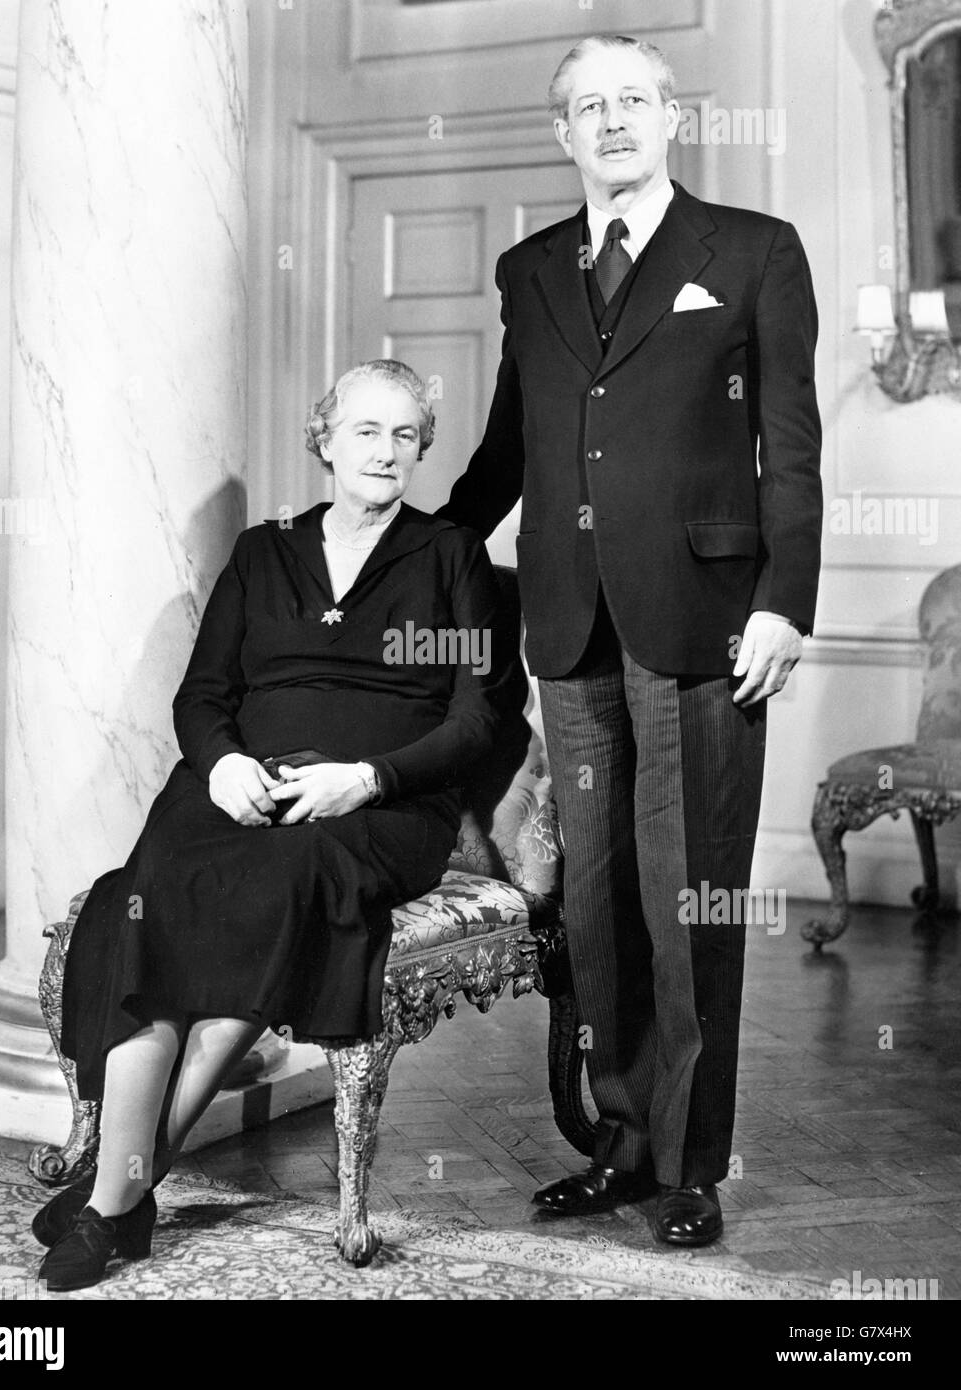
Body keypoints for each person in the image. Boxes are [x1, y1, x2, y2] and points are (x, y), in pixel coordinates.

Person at [438, 34, 822, 1246]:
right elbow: (513, 447)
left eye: (631, 102)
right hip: (569, 621)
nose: (610, 122)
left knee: (688, 896)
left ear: (670, 118)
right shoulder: (530, 269)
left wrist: (784, 598)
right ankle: (620, 1135)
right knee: (596, 902)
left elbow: (790, 444)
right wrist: (412, 543)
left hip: (708, 625)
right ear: (563, 136)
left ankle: (692, 1159)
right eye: (586, 108)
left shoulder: (754, 250)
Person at [33, 359, 521, 1291]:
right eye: (366, 431)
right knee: (143, 903)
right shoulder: (265, 553)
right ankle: (124, 1196)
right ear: (325, 439)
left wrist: (365, 779)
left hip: (376, 810)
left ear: (423, 448)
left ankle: (110, 1201)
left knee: (267, 894)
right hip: (234, 790)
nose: (386, 451)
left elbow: (476, 719)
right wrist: (221, 765)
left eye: (405, 435)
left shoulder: (449, 556)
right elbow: (203, 693)